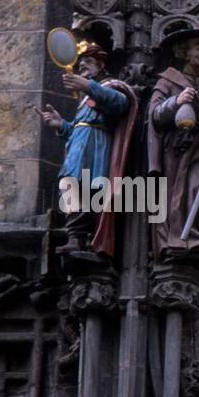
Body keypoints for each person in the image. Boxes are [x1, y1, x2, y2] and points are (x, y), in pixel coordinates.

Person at [38, 43, 137, 258]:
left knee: (87, 189)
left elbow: (120, 104)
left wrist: (89, 86)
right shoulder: (84, 100)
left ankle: (86, 237)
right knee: (70, 188)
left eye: (88, 65)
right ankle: (75, 238)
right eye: (80, 67)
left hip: (96, 147)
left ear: (100, 65)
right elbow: (77, 129)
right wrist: (61, 125)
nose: (82, 69)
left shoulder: (112, 86)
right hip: (78, 148)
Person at [148, 28, 199, 269]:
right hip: (176, 152)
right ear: (184, 53)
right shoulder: (169, 81)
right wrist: (176, 101)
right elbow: (154, 115)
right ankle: (177, 239)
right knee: (178, 194)